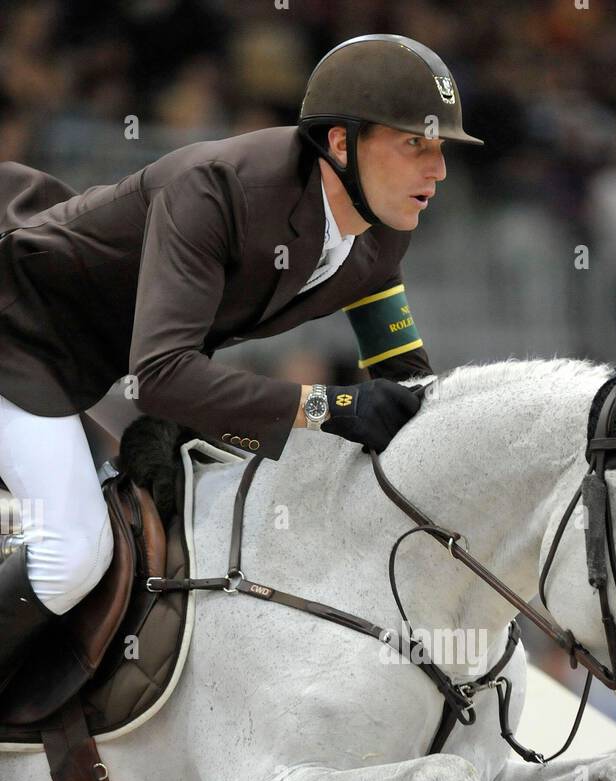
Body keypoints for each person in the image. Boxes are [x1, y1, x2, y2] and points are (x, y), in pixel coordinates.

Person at [0, 33, 483, 696]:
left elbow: (402, 371)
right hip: (18, 334)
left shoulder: (385, 225)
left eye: (441, 148)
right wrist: (331, 408)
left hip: (92, 368)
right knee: (71, 555)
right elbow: (166, 373)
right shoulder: (218, 191)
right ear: (341, 144)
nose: (440, 170)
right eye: (415, 145)